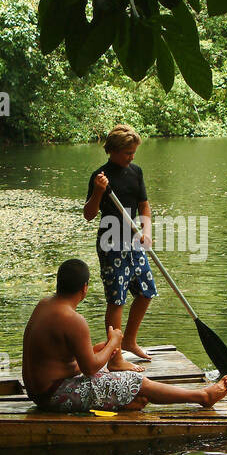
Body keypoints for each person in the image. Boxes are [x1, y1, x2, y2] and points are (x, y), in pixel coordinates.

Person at [21, 259, 227, 413]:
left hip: (41, 392)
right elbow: (90, 368)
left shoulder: (44, 305)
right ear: (84, 288)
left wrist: (98, 350)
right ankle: (203, 396)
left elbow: (62, 359)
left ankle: (129, 402)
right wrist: (113, 342)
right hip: (54, 397)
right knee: (136, 380)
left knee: (138, 399)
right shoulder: (73, 319)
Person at [84, 124, 157, 368]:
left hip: (134, 240)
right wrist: (98, 191)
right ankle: (115, 357)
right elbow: (89, 214)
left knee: (146, 291)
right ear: (113, 150)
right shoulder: (100, 176)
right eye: (128, 153)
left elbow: (144, 205)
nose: (132, 157)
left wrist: (147, 231)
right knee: (117, 299)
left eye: (134, 152)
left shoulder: (136, 172)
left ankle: (129, 341)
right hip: (110, 242)